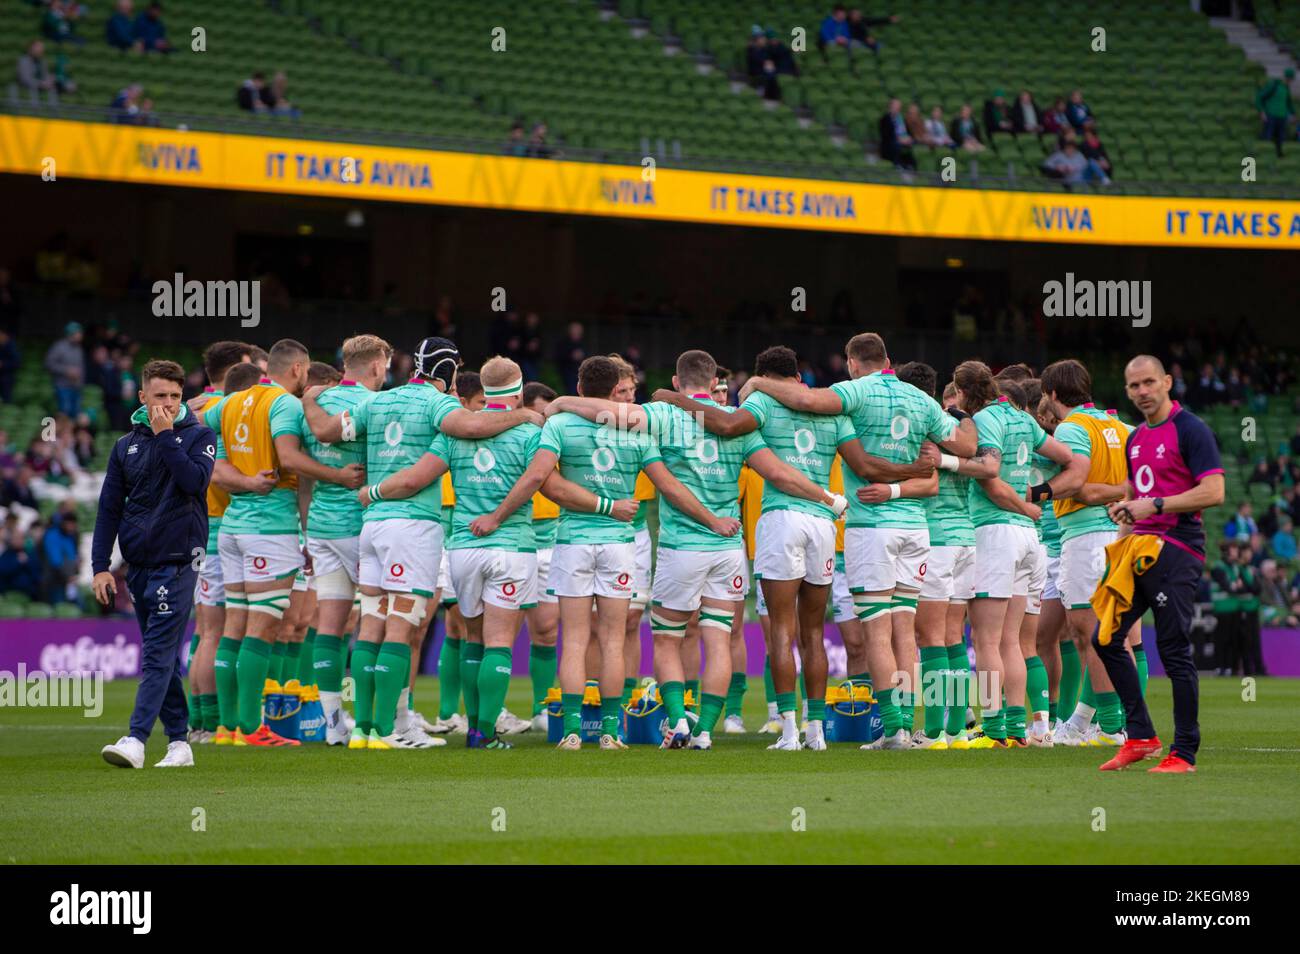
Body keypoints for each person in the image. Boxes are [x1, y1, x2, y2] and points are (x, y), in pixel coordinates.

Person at [552, 349, 846, 750]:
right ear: (713, 385)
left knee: (668, 640)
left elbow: (613, 414)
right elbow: (779, 473)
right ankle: (706, 730)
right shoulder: (739, 426)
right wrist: (825, 497)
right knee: (718, 641)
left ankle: (679, 723)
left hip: (681, 548)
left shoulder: (663, 416)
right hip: (728, 547)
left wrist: (565, 402)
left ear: (676, 382)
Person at [739, 333, 977, 750]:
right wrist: (966, 413)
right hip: (917, 528)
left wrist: (758, 384)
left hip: (872, 527)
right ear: (888, 359)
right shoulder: (921, 399)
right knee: (908, 630)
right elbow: (966, 446)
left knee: (877, 632)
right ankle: (914, 724)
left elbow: (807, 402)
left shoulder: (852, 392)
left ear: (851, 362)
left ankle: (893, 729)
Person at [303, 337, 540, 748]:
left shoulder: (375, 401)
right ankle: (388, 730)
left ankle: (362, 728)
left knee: (372, 624)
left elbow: (324, 431)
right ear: (447, 370)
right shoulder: (439, 405)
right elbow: (472, 425)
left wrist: (308, 397)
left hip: (371, 527)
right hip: (411, 526)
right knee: (401, 626)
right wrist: (524, 417)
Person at [541, 356, 724, 750]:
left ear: (579, 386)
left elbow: (545, 481)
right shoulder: (637, 435)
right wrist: (712, 519)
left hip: (572, 539)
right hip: (621, 543)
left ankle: (573, 730)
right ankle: (611, 730)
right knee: (612, 640)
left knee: (574, 639)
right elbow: (671, 488)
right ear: (613, 394)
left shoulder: (557, 424)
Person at [203, 340, 363, 748]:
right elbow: (289, 460)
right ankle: (253, 727)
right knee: (262, 627)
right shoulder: (285, 406)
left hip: (234, 523)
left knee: (234, 626)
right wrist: (337, 476)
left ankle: (228, 727)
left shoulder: (229, 403)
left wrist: (243, 482)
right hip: (270, 526)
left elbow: (212, 462)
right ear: (297, 370)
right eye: (306, 372)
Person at [1095, 355, 1225, 774]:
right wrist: (1116, 551)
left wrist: (1155, 504)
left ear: (1167, 381)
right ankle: (1141, 736)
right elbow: (1136, 497)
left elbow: (1213, 491)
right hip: (1138, 548)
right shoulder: (1135, 440)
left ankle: (1184, 752)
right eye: (1134, 386)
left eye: (1149, 382)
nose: (1142, 392)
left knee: (1172, 649)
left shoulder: (1192, 429)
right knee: (1105, 636)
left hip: (1178, 549)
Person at [93, 359, 216, 769]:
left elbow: (194, 483)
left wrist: (166, 437)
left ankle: (137, 738)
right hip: (139, 564)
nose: (167, 404)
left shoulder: (199, 436)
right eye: (159, 396)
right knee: (158, 653)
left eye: (175, 396)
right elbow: (109, 508)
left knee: (158, 652)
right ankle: (180, 743)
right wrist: (100, 565)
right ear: (142, 396)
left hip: (180, 560)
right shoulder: (124, 445)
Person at [299, 336, 393, 745]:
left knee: (330, 625)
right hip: (362, 525)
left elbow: (303, 466)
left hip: (320, 524)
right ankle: (382, 723)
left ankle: (334, 724)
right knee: (381, 622)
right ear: (375, 366)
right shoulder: (373, 405)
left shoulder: (314, 405)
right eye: (386, 367)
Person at [1036, 360, 1132, 747]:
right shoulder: (1119, 425)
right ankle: (1095, 721)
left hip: (1087, 535)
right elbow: (1135, 481)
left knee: (1090, 632)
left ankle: (1109, 726)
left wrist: (1038, 492)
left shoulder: (1073, 427)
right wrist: (1121, 492)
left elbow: (1079, 485)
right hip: (1118, 533)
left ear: (1053, 394)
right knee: (1109, 632)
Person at [184, 344, 257, 745]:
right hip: (223, 526)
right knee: (222, 632)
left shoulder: (191, 411)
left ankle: (199, 721)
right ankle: (214, 724)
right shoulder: (230, 410)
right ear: (238, 369)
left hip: (197, 528)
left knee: (205, 631)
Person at [45, 322, 85, 418]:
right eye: (78, 333)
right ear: (71, 333)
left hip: (76, 386)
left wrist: (80, 382)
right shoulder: (59, 347)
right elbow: (49, 364)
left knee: (76, 414)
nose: (80, 335)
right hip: (62, 386)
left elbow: (81, 368)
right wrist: (66, 371)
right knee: (64, 413)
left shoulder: (79, 349)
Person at [1256, 68, 1295, 158]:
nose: (1289, 81)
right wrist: (1261, 111)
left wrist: (1292, 114)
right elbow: (1260, 97)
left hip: (1282, 117)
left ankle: (1278, 158)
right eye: (1288, 79)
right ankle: (1264, 157)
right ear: (1285, 77)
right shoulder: (1274, 85)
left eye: (1290, 80)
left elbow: (1288, 103)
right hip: (1271, 115)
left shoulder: (1286, 89)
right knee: (1268, 137)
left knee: (1281, 139)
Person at [878, 97, 916, 170]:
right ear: (890, 106)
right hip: (890, 143)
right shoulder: (885, 119)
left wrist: (909, 138)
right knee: (895, 145)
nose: (898, 108)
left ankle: (911, 166)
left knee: (914, 144)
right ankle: (898, 165)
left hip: (903, 140)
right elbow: (886, 136)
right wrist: (899, 139)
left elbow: (908, 132)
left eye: (899, 106)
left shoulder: (901, 119)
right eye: (896, 106)